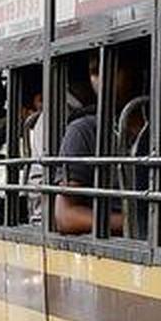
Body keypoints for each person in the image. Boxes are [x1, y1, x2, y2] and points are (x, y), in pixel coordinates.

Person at [55, 53, 139, 235]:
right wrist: (135, 223)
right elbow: (66, 216)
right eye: (95, 72)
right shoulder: (85, 130)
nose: (103, 80)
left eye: (114, 69)